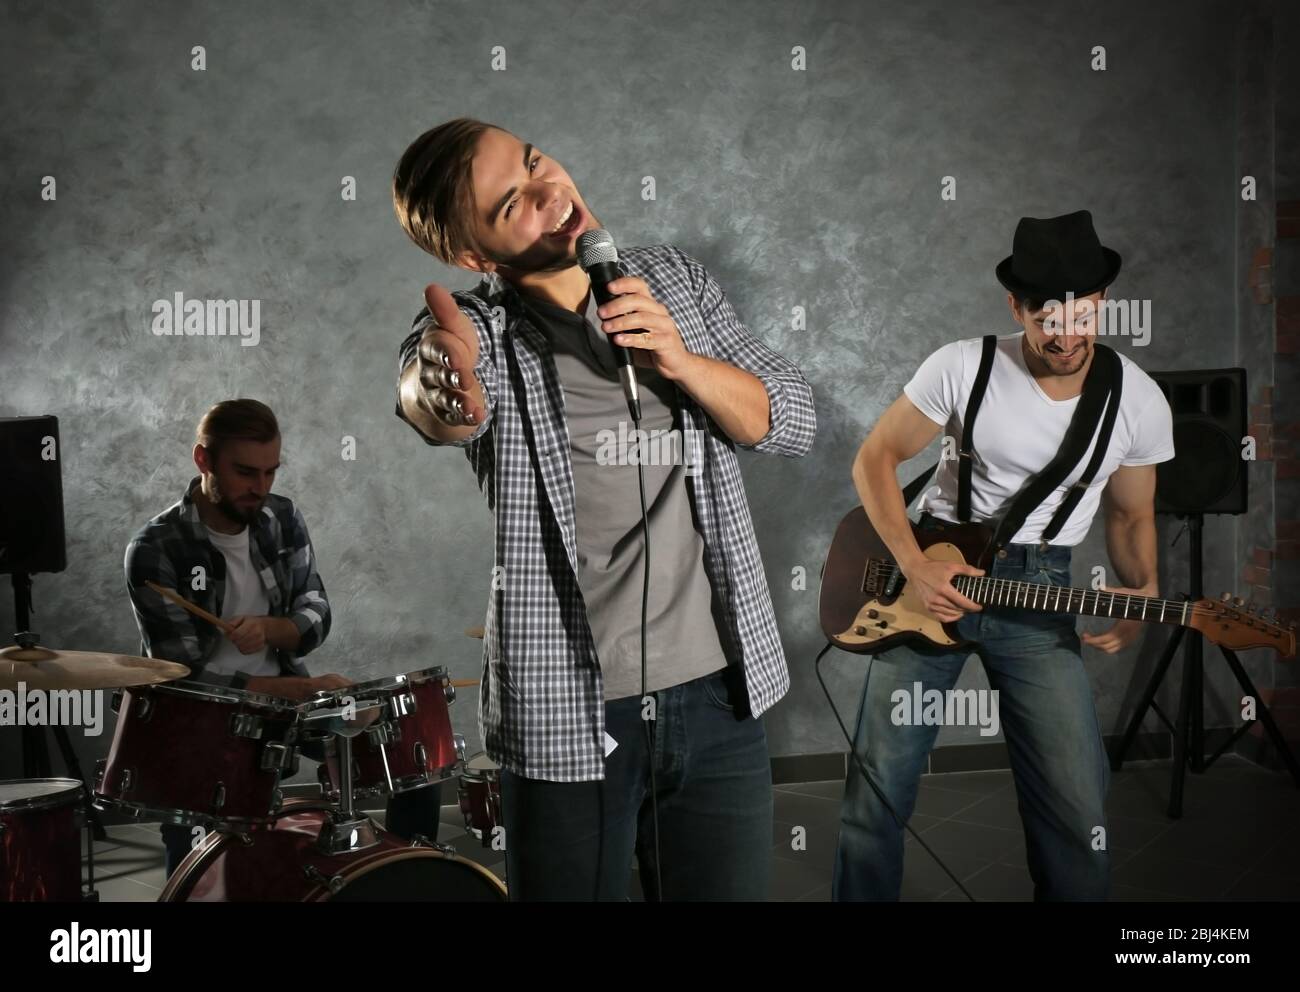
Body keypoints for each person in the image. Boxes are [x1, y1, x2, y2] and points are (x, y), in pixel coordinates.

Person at [390, 118, 816, 900]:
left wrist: (680, 361)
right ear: (475, 257)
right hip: (571, 718)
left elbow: (788, 418)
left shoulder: (673, 283)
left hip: (720, 695)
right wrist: (442, 385)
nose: (552, 191)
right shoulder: (484, 330)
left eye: (536, 161)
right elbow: (436, 395)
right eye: (513, 202)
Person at [833, 211, 1175, 901]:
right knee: (877, 792)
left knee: (1077, 809)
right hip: (929, 576)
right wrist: (917, 564)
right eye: (1047, 318)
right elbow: (875, 458)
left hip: (1039, 594)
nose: (1065, 335)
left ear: (1103, 303)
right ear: (1015, 307)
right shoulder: (963, 364)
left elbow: (1132, 512)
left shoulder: (1137, 399)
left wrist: (1143, 590)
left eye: (1081, 316)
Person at [124, 398, 440, 874]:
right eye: (246, 472)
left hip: (290, 704)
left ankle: (403, 877)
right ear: (203, 460)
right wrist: (301, 691)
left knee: (413, 750)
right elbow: (186, 681)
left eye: (271, 472)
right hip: (201, 724)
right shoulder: (155, 550)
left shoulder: (281, 518)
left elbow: (316, 611)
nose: (261, 488)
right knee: (202, 865)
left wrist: (274, 630)